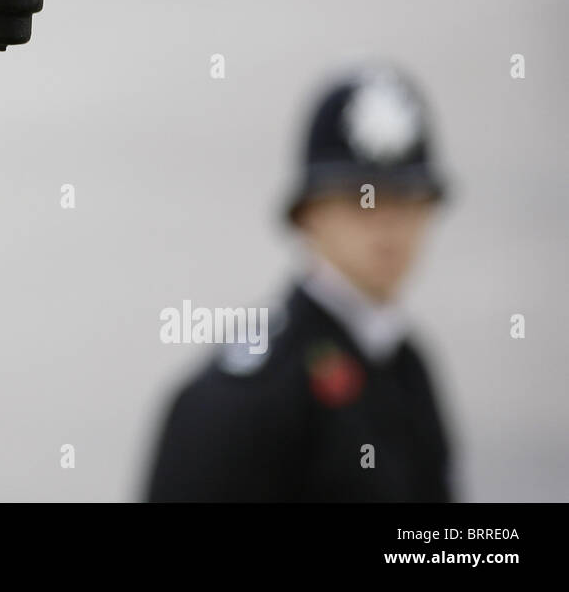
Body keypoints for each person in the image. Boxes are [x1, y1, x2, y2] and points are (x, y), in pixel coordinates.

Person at [144, 65, 455, 501]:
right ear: (309, 215)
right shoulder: (251, 393)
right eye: (359, 197)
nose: (387, 220)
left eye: (406, 197)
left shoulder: (407, 366)